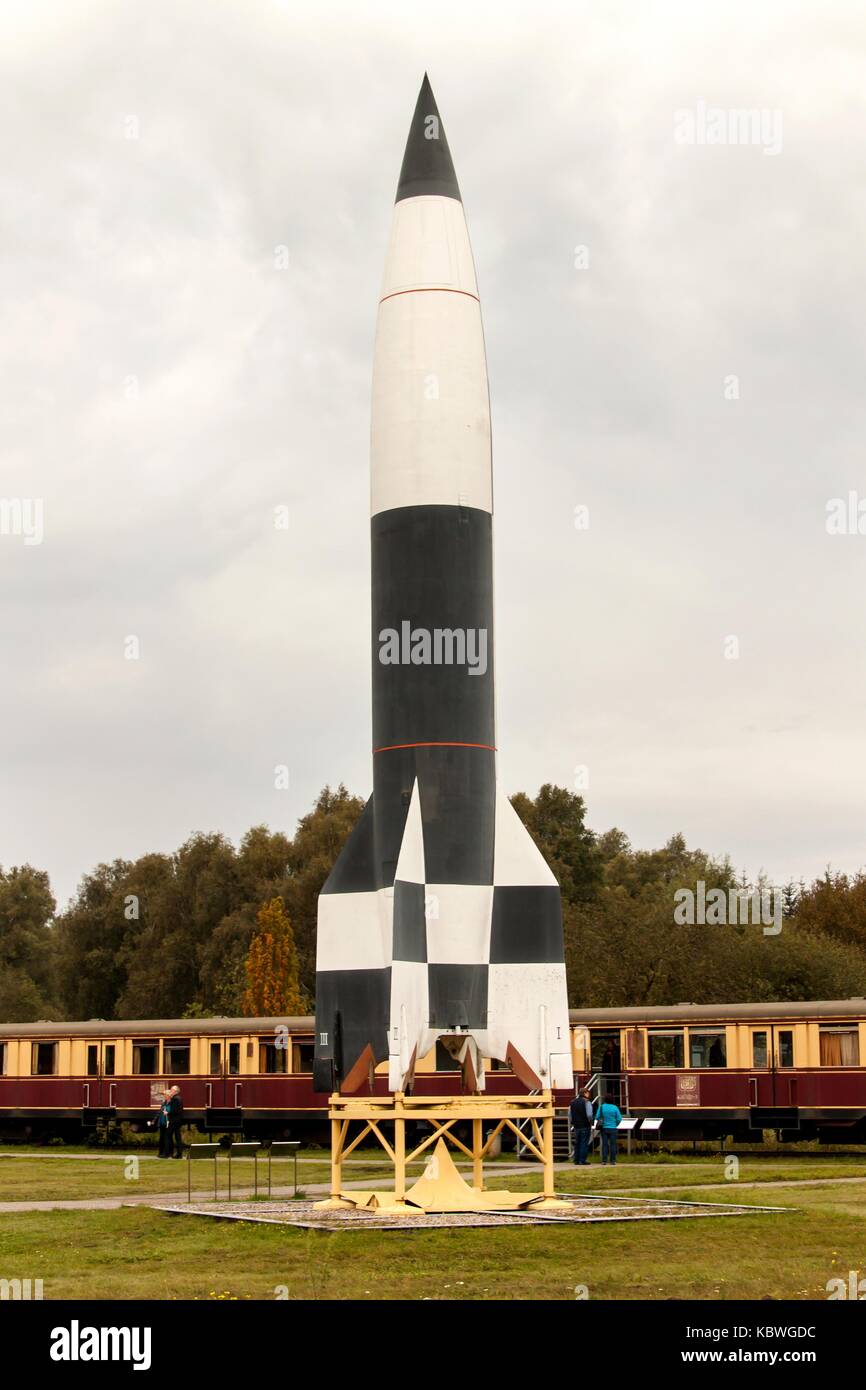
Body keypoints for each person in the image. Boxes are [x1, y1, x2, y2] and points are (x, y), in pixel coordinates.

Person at [595, 1094, 622, 1166]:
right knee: (613, 1145)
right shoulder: (615, 1107)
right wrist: (615, 1124)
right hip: (613, 1128)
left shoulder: (601, 1107)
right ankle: (613, 1161)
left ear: (605, 1100)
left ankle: (604, 1160)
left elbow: (597, 1117)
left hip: (604, 1128)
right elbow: (619, 1118)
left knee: (605, 1144)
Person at [569, 1087, 593, 1166]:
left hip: (576, 1125)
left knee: (577, 1143)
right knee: (584, 1143)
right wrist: (591, 1122)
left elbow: (570, 1115)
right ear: (585, 1093)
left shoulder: (572, 1102)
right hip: (585, 1125)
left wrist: (572, 1122)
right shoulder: (587, 1102)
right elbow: (589, 1115)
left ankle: (576, 1160)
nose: (589, 1094)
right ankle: (582, 1160)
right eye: (588, 1093)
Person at [149, 1090, 171, 1157]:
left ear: (168, 1096)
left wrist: (168, 1113)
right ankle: (160, 1153)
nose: (164, 1096)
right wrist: (154, 1120)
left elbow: (171, 1112)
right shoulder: (164, 1103)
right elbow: (159, 1112)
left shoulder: (171, 1103)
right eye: (163, 1095)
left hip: (167, 1123)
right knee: (161, 1138)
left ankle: (166, 1153)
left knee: (166, 1139)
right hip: (161, 1123)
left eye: (165, 1095)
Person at [167, 1084, 184, 1158]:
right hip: (178, 1120)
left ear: (175, 1091)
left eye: (171, 1090)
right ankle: (179, 1154)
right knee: (178, 1137)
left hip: (173, 1120)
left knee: (168, 1135)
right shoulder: (179, 1098)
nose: (170, 1091)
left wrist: (167, 1112)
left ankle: (170, 1152)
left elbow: (174, 1110)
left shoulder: (174, 1099)